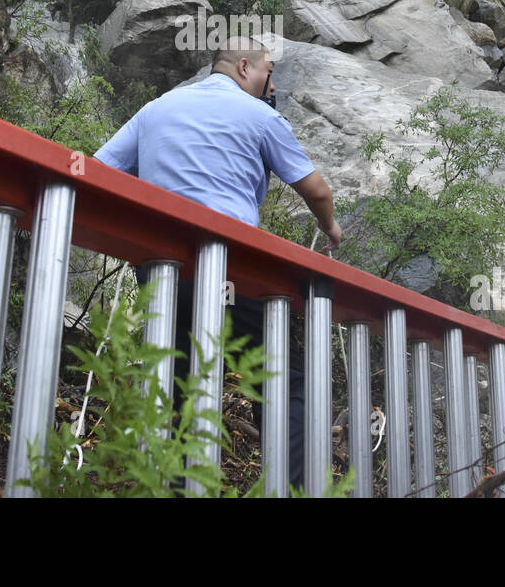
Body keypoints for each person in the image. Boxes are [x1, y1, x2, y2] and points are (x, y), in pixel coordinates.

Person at [93, 35, 342, 487]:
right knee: (283, 378)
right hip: (232, 268)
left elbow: (97, 171)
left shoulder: (157, 109)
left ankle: (172, 488)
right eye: (269, 71)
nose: (271, 83)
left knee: (175, 379)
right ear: (244, 66)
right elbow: (317, 190)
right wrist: (330, 229)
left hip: (162, 272)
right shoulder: (260, 116)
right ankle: (295, 489)